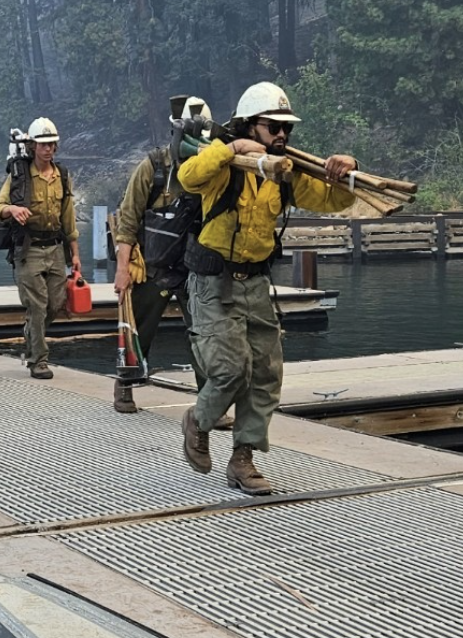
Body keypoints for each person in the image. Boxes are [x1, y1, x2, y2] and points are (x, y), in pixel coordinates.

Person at [179, 82, 358, 496]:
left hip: (256, 282)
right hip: (213, 281)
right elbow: (189, 177)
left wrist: (345, 169)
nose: (281, 135)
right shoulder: (222, 163)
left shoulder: (285, 171)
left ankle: (243, 459)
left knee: (266, 373)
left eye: (286, 129)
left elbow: (335, 201)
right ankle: (198, 420)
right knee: (228, 369)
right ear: (248, 124)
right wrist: (233, 149)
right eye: (272, 126)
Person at [111, 97, 228, 421]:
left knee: (205, 336)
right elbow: (128, 221)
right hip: (154, 267)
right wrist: (123, 270)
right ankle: (125, 385)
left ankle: (211, 407)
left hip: (195, 268)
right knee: (139, 330)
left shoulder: (215, 169)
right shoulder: (153, 168)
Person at [0, 117, 80, 380]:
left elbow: (68, 218)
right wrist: (13, 209)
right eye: (43, 144)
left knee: (56, 303)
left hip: (54, 248)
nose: (48, 149)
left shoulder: (62, 176)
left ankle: (31, 332)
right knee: (38, 305)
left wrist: (75, 254)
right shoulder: (19, 176)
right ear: (32, 146)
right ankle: (38, 360)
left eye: (52, 144)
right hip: (28, 248)